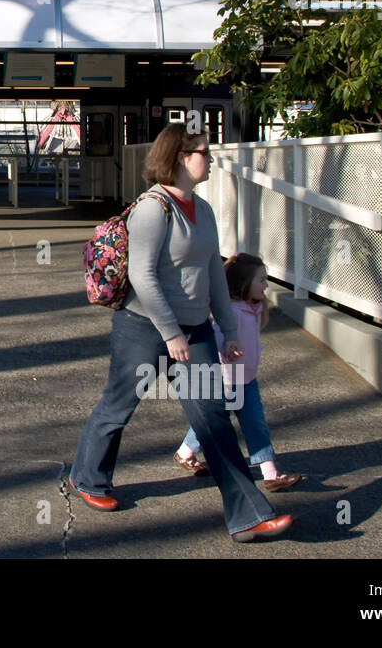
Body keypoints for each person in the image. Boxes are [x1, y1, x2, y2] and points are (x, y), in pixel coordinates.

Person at [68, 122, 292, 542]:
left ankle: (249, 517)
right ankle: (89, 479)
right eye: (203, 152)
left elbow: (212, 273)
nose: (210, 158)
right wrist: (170, 333)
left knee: (213, 418)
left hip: (195, 331)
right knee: (118, 406)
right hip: (143, 328)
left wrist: (230, 330)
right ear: (178, 159)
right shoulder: (153, 209)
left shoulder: (202, 209)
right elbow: (143, 276)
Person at [173, 253, 304, 491]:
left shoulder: (252, 308)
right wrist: (226, 348)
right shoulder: (230, 312)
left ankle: (270, 474)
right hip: (227, 380)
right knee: (215, 422)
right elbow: (215, 338)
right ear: (243, 284)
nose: (266, 285)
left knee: (254, 424)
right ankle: (185, 452)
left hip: (247, 379)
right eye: (261, 280)